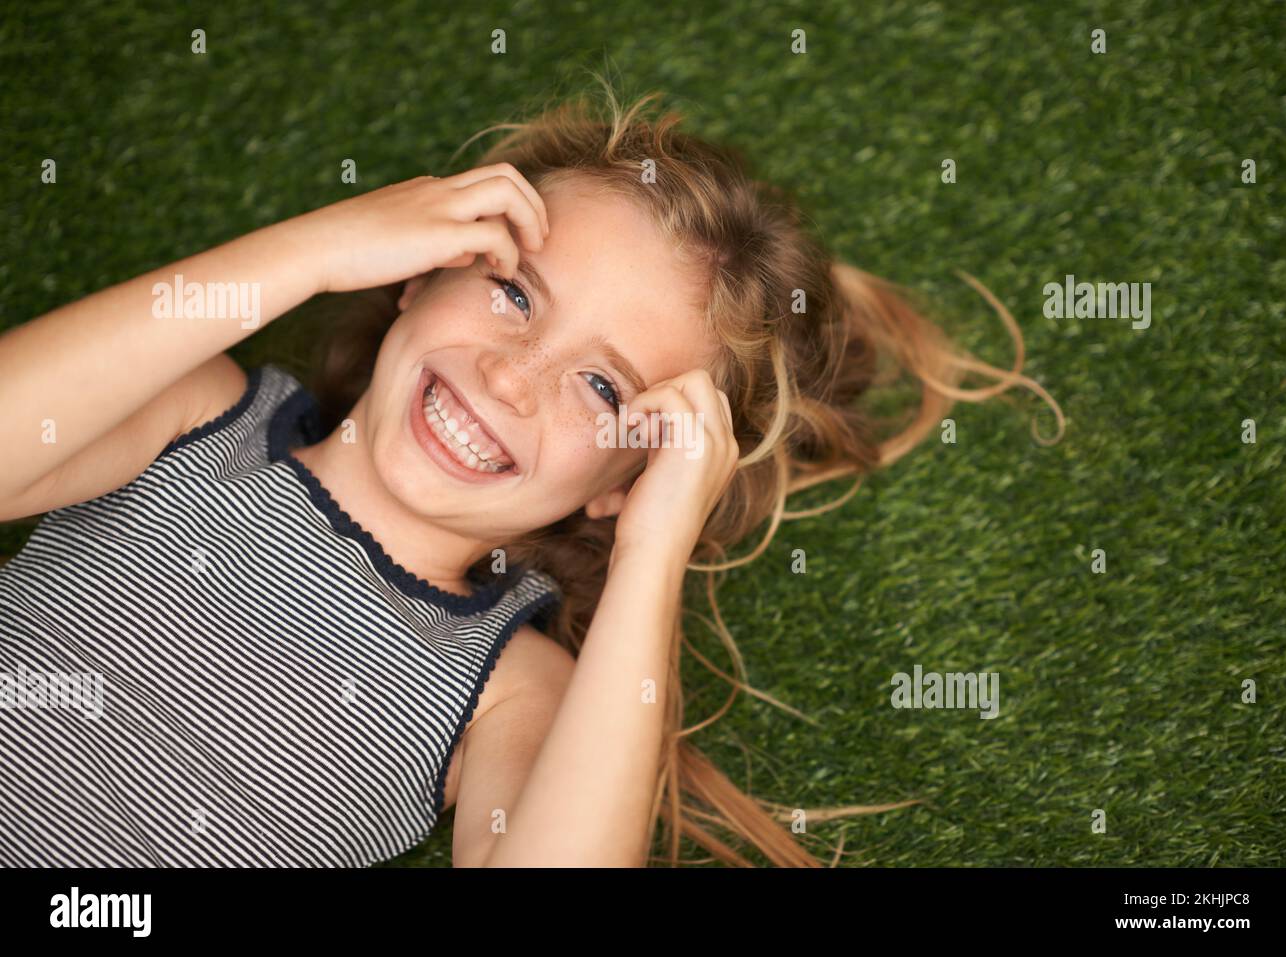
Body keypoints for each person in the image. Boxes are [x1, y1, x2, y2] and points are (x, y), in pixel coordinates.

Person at [0, 75, 1060, 867]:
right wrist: (312, 248)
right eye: (513, 293)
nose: (512, 380)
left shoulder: (508, 690)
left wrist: (656, 550)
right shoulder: (198, 416)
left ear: (622, 483)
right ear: (419, 272)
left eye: (603, 390)